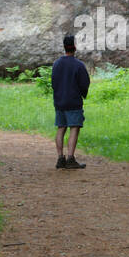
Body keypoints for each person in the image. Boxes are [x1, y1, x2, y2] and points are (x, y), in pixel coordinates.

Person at [52, 34, 90, 169]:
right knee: (74, 127)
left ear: (64, 47)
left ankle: (60, 158)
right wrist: (82, 94)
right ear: (74, 47)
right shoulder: (78, 65)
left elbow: (53, 83)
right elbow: (84, 84)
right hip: (73, 101)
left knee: (61, 128)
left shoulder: (56, 64)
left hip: (59, 101)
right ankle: (70, 158)